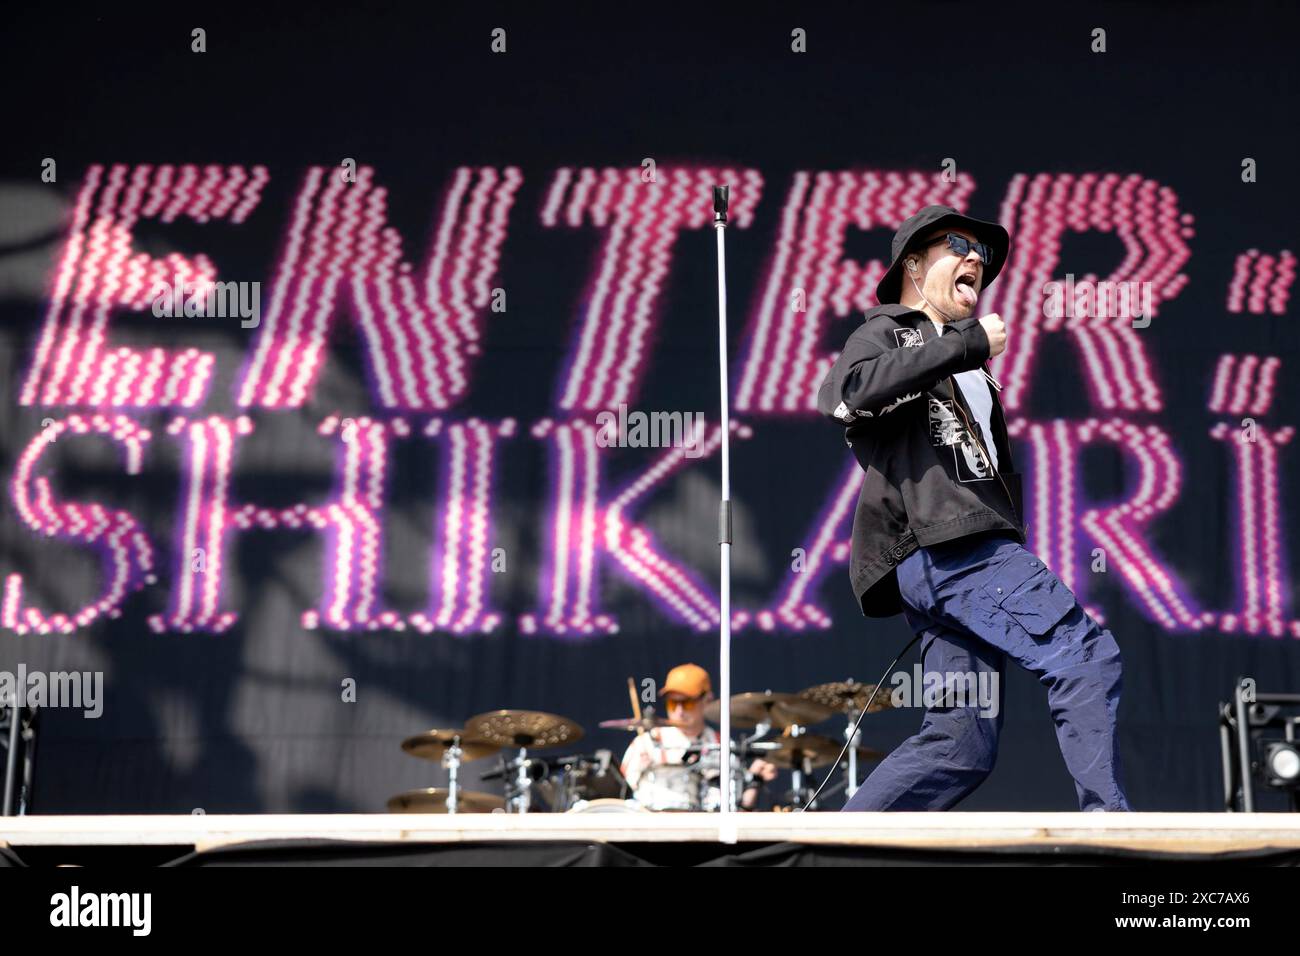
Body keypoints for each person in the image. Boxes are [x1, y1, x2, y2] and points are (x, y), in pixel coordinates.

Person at [818, 205, 1132, 812]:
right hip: (951, 550)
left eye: (982, 254)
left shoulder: (973, 369)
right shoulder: (890, 331)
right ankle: (1110, 832)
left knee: (959, 743)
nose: (976, 258)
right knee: (1087, 657)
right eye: (957, 244)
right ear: (912, 263)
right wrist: (965, 343)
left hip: (952, 558)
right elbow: (845, 395)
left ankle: (834, 848)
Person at [619, 663, 777, 810]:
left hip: (703, 832)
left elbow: (737, 809)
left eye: (687, 703)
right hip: (648, 830)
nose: (679, 711)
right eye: (673, 703)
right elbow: (619, 795)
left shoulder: (721, 745)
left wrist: (755, 780)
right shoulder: (646, 743)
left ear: (707, 700)